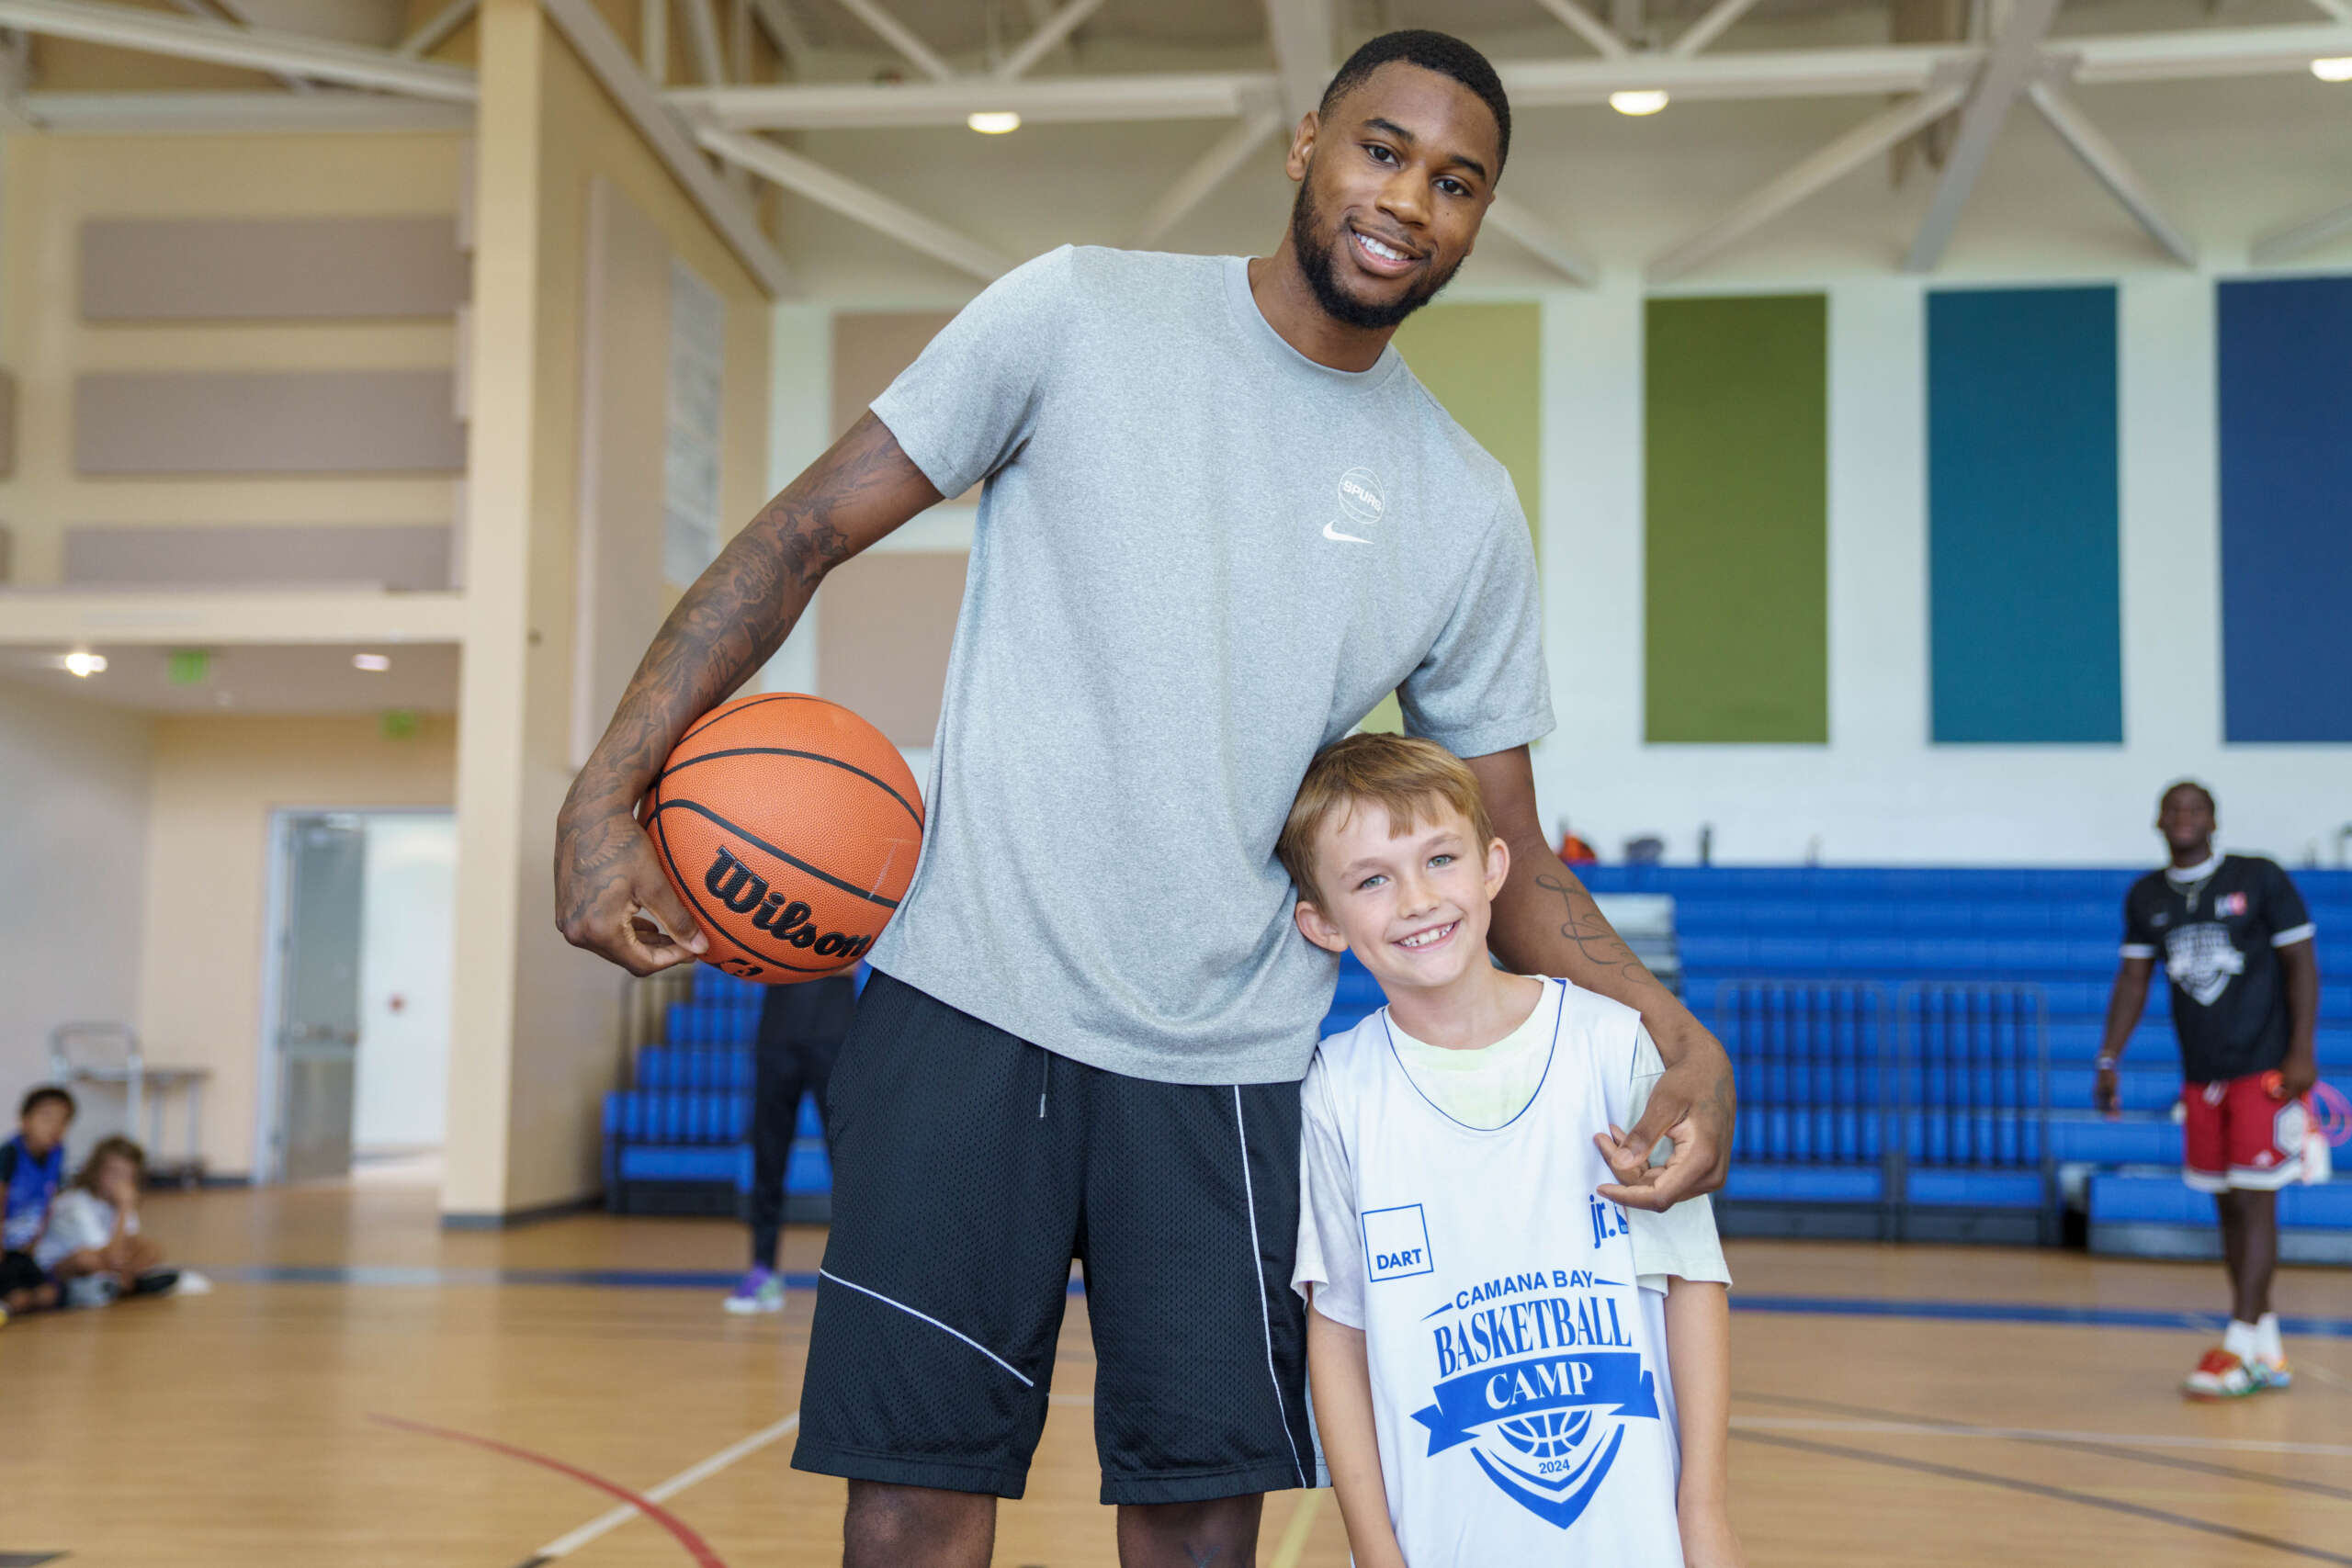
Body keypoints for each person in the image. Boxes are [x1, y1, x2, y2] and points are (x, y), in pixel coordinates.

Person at [555, 29, 1735, 1564]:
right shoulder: (1076, 312)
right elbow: (799, 536)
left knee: (1198, 1527)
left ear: (1478, 219)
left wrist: (1676, 1032)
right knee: (908, 1509)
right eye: (1383, 150)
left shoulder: (1460, 505)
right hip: (965, 1003)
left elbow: (1508, 847)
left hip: (1226, 1064)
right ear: (1307, 142)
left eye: (1457, 183)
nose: (1409, 200)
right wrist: (604, 793)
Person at [1281, 735, 1741, 1567]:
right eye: (1373, 879)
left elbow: (1691, 1279)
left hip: (1635, 1539)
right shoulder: (1337, 1092)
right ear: (1323, 922)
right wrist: (1374, 1547)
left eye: (1440, 858)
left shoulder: (1613, 1044)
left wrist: (1704, 1511)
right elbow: (1338, 1337)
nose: (1417, 899)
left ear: (1494, 865)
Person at [2096, 779, 2320, 1400]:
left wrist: (2302, 1052)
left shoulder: (2260, 877)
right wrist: (2109, 1056)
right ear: (2158, 821)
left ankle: (2238, 1342)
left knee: (2255, 1200)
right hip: (2201, 1074)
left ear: (2214, 820)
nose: (2184, 817)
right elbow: (2133, 980)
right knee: (2227, 1205)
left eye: (2195, 808)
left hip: (2265, 1068)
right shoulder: (2147, 895)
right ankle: (2266, 1349)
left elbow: (2301, 965)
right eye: (2173, 809)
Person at [726, 971, 859, 1314]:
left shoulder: (847, 929)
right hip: (777, 1034)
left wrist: (801, 958)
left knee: (847, 1161)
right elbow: (749, 968)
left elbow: (852, 963)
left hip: (833, 1033)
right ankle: (763, 1271)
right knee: (768, 1157)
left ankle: (858, 1279)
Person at [35, 1135, 181, 1308]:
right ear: (96, 1171)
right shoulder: (75, 1205)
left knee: (150, 1249)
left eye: (126, 1176)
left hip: (106, 1263)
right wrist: (124, 1208)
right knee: (86, 1259)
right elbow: (111, 1256)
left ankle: (121, 1283)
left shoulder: (116, 1202)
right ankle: (130, 1284)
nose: (119, 1182)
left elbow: (130, 1243)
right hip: (54, 1271)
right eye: (113, 1173)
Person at [1, 1086, 75, 1322]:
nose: (55, 1127)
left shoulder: (57, 1154)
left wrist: (36, 1240)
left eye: (63, 1121)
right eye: (46, 1118)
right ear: (25, 1120)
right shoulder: (9, 1154)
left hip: (22, 1250)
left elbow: (48, 1197)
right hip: (3, 1250)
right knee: (19, 1299)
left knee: (49, 1295)